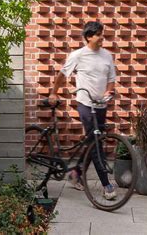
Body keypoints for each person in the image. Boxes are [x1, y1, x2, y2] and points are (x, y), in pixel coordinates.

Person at [50, 20, 117, 200]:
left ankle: (76, 172)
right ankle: (106, 185)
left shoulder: (107, 56)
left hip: (101, 105)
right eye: (99, 34)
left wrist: (108, 92)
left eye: (103, 33)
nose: (103, 37)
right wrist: (54, 93)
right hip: (86, 104)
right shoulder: (78, 55)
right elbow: (63, 74)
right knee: (96, 143)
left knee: (92, 141)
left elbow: (111, 78)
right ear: (89, 37)